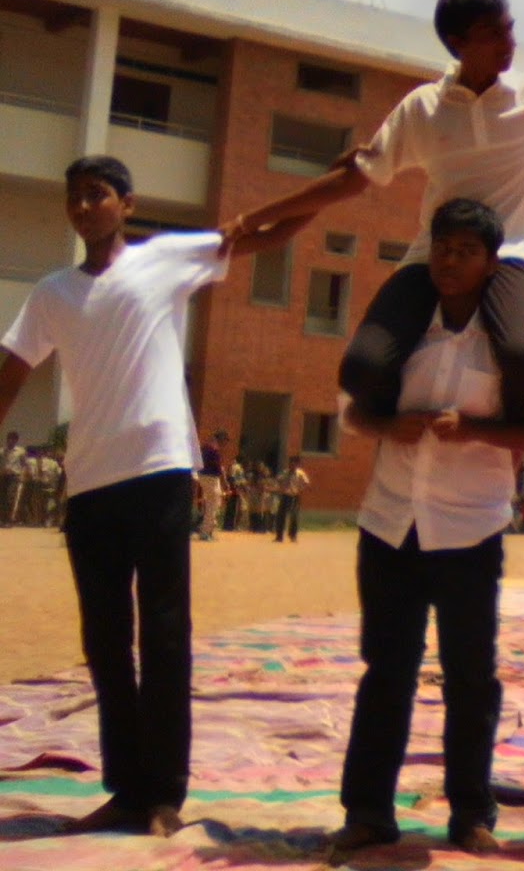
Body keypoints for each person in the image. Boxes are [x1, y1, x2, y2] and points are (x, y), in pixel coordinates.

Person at [0, 155, 308, 836]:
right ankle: (127, 790)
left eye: (98, 194)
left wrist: (338, 188)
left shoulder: (167, 258)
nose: (85, 206)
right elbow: (13, 367)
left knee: (165, 633)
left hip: (161, 470)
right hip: (90, 486)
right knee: (106, 640)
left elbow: (264, 236)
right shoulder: (53, 292)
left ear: (127, 205)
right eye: (75, 196)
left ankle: (165, 792)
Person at [221, 0, 524, 430]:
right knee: (362, 368)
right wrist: (246, 222)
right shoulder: (423, 109)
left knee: (523, 357)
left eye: (510, 28)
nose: (508, 43)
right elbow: (350, 180)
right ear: (457, 43)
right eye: (492, 33)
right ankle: (390, 430)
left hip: (511, 254)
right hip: (435, 254)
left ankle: (505, 444)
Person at [330, 198, 524, 858]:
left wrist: (477, 430)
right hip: (388, 524)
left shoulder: (520, 349)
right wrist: (386, 425)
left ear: (492, 263)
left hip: (469, 533)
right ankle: (367, 811)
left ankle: (472, 814)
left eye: (467, 250)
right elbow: (348, 409)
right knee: (385, 670)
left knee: (471, 676)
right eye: (442, 246)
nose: (450, 260)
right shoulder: (405, 329)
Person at [195, 431, 227, 541]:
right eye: (224, 440)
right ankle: (205, 532)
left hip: (206, 477)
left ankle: (207, 529)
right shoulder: (212, 449)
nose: (225, 443)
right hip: (210, 477)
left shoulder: (207, 447)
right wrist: (221, 471)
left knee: (214, 504)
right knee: (212, 505)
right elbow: (215, 466)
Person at [274, 454, 310, 543]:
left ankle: (293, 535)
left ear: (297, 464)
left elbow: (306, 483)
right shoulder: (285, 472)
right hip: (285, 496)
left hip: (294, 496)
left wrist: (300, 489)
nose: (291, 465)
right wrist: (281, 487)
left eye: (294, 464)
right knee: (281, 515)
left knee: (294, 516)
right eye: (290, 463)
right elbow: (279, 480)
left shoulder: (300, 473)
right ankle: (279, 536)